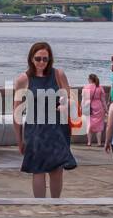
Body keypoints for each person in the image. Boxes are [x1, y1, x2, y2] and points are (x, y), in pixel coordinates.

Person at [15, 42, 76, 197]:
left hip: (57, 129)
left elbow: (70, 99)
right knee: (38, 169)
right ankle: (40, 205)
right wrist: (19, 140)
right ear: (31, 59)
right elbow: (16, 112)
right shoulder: (23, 79)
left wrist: (65, 105)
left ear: (50, 60)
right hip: (35, 130)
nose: (41, 62)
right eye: (38, 58)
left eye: (45, 59)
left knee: (57, 169)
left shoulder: (58, 74)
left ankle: (55, 203)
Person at [83, 74, 107, 147]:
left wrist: (82, 108)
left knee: (89, 124)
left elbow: (84, 100)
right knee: (99, 126)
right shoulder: (100, 88)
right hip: (99, 107)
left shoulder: (86, 87)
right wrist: (106, 109)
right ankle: (99, 143)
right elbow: (103, 100)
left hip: (88, 106)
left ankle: (89, 143)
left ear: (90, 79)